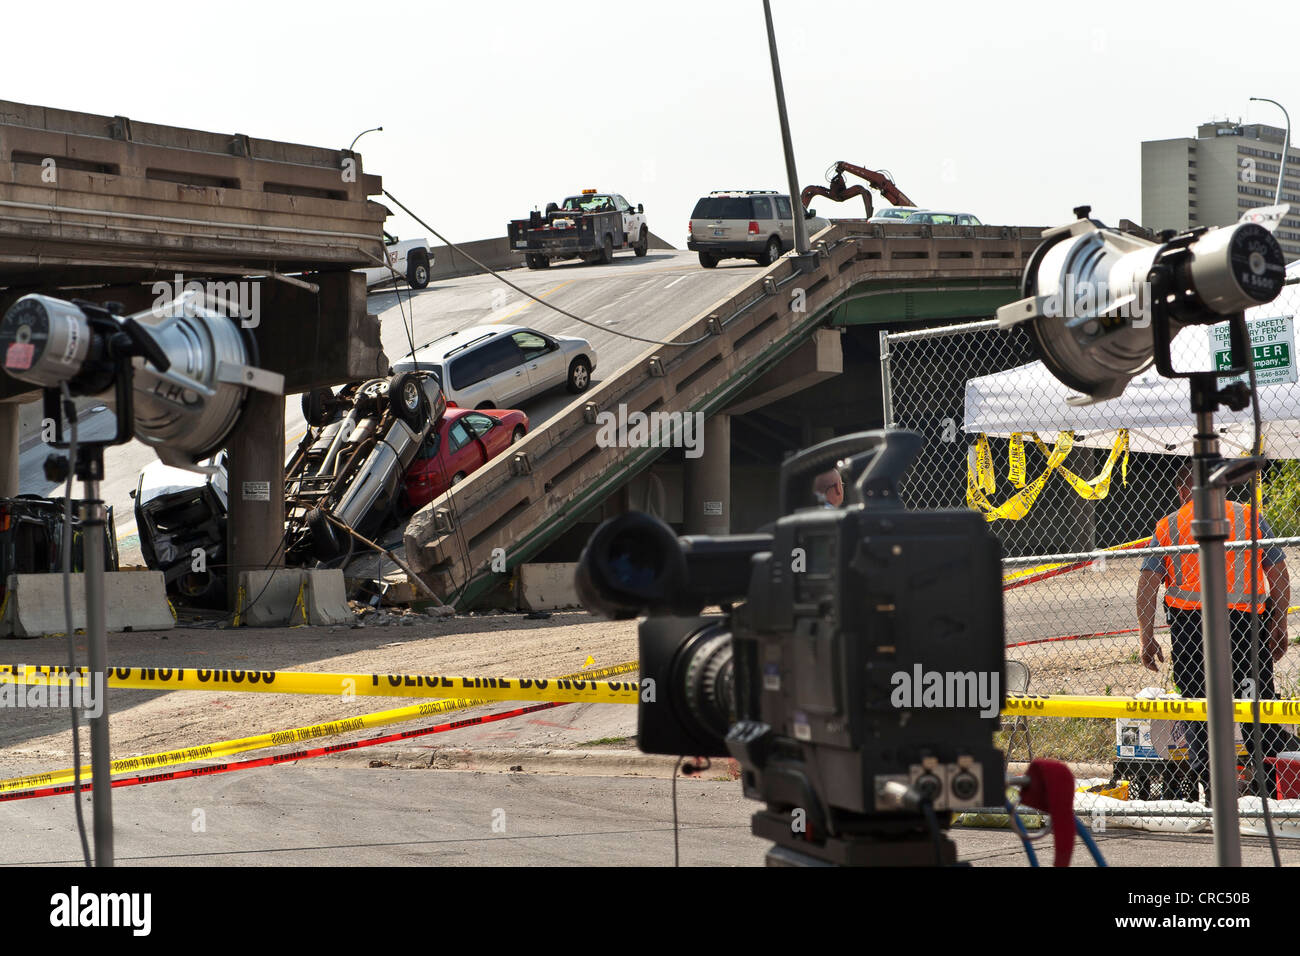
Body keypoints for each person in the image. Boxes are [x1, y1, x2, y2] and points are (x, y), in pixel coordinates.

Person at [1136, 461, 1291, 801]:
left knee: (1199, 707)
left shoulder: (1169, 526)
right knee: (1255, 705)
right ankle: (1273, 785)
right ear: (1221, 486)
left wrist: (1146, 637)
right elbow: (1278, 568)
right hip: (1246, 630)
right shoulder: (1247, 516)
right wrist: (1279, 622)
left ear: (1182, 492)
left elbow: (1147, 583)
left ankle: (1213, 786)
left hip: (1193, 632)